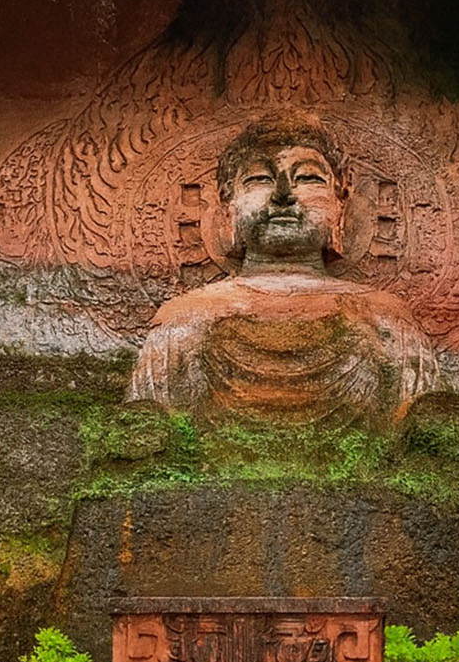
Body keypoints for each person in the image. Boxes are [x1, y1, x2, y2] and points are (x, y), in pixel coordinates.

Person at [127, 115, 437, 428]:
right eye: (260, 179)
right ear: (228, 206)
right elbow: (146, 433)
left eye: (308, 179)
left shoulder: (386, 319)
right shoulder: (184, 319)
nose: (284, 195)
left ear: (340, 205)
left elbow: (424, 438)